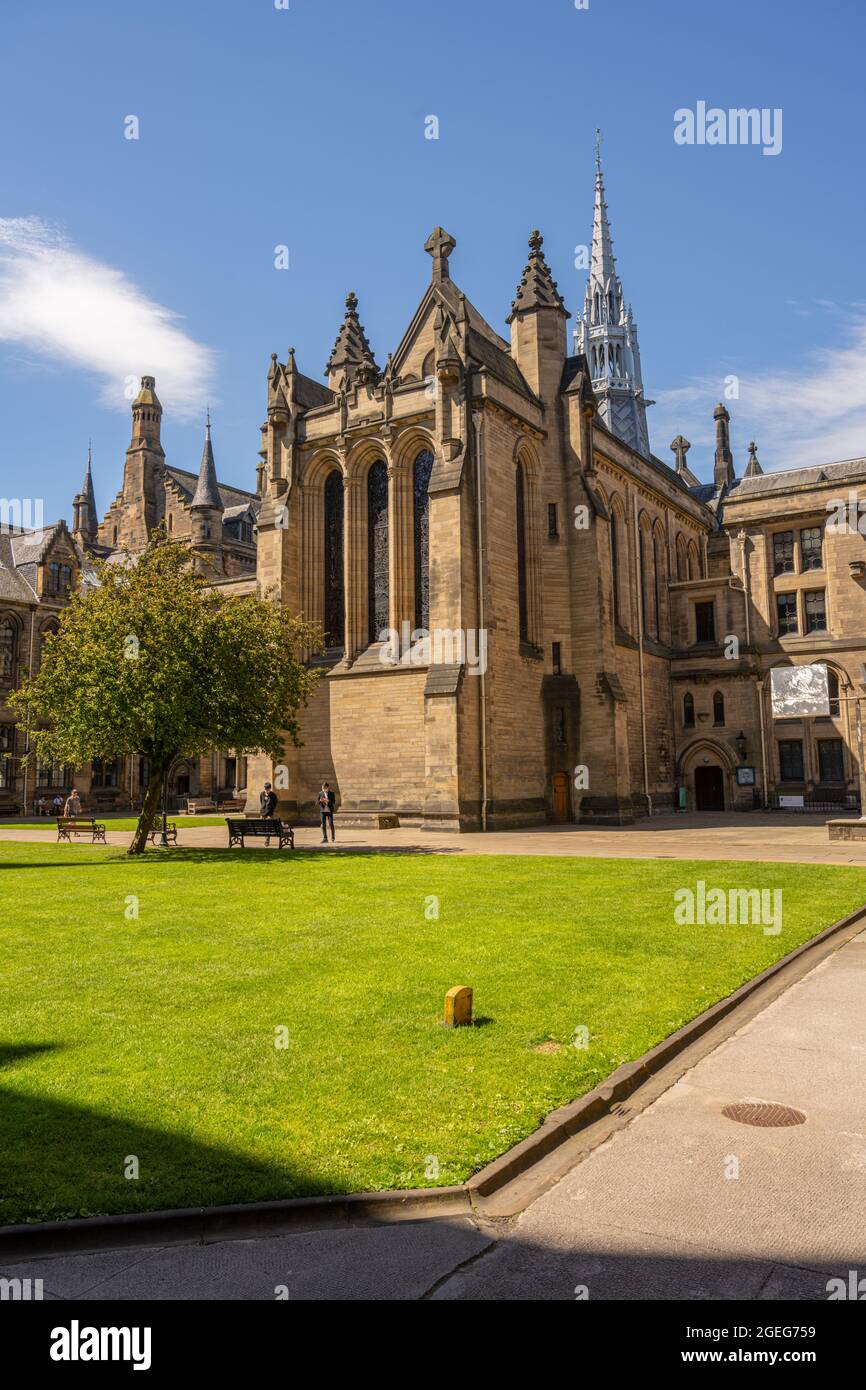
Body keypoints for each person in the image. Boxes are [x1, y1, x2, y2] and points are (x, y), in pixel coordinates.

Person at [260, 780, 278, 845]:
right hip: (263, 813)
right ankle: (266, 840)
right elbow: (261, 802)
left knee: (269, 827)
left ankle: (267, 841)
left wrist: (270, 808)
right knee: (263, 827)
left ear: (270, 788)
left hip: (270, 813)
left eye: (268, 789)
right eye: (265, 789)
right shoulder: (262, 794)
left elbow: (275, 803)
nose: (266, 790)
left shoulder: (273, 795)